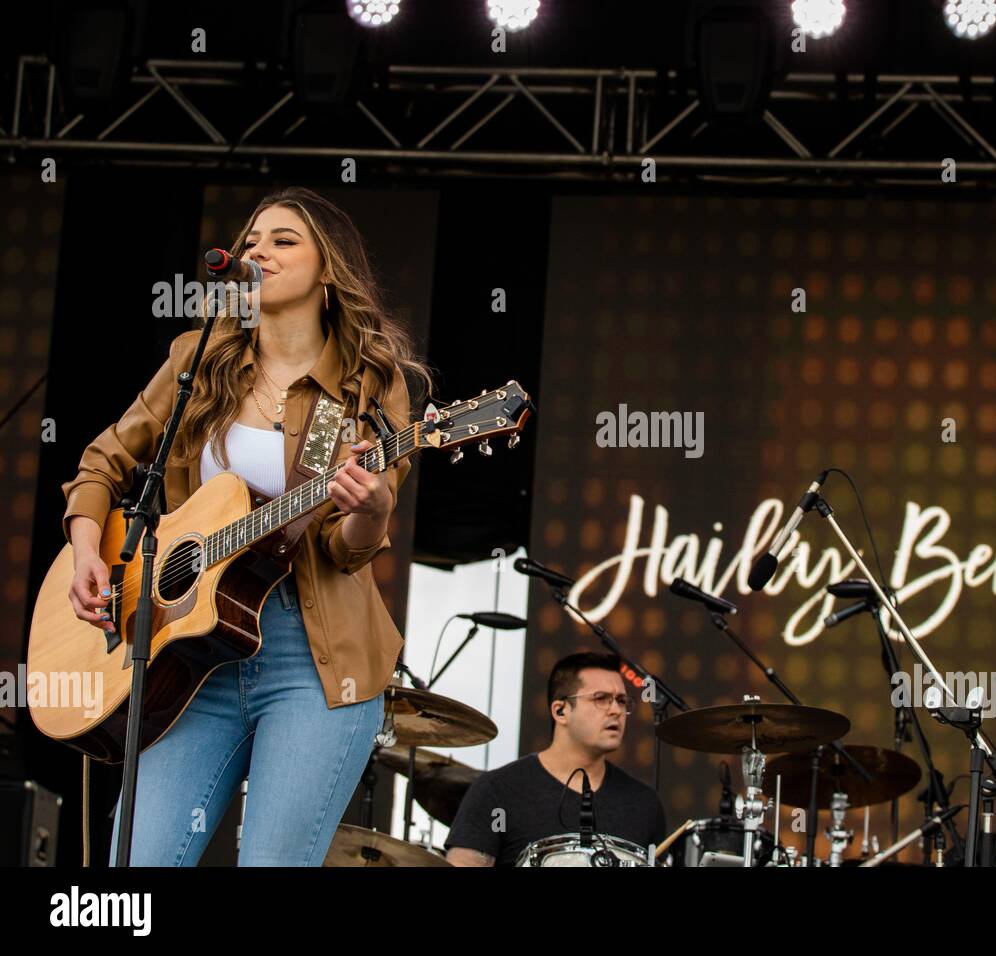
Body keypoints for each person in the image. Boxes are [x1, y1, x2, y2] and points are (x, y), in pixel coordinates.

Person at [62, 186, 432, 865]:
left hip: (313, 660)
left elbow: (344, 553)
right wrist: (89, 546)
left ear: (329, 270)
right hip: (186, 655)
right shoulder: (198, 359)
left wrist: (370, 511)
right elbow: (102, 462)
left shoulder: (370, 384)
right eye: (253, 239)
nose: (258, 249)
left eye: (283, 240)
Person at [446, 651, 666, 867]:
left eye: (621, 701)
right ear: (560, 711)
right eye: (601, 699)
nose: (616, 710)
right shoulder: (497, 791)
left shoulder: (644, 804)